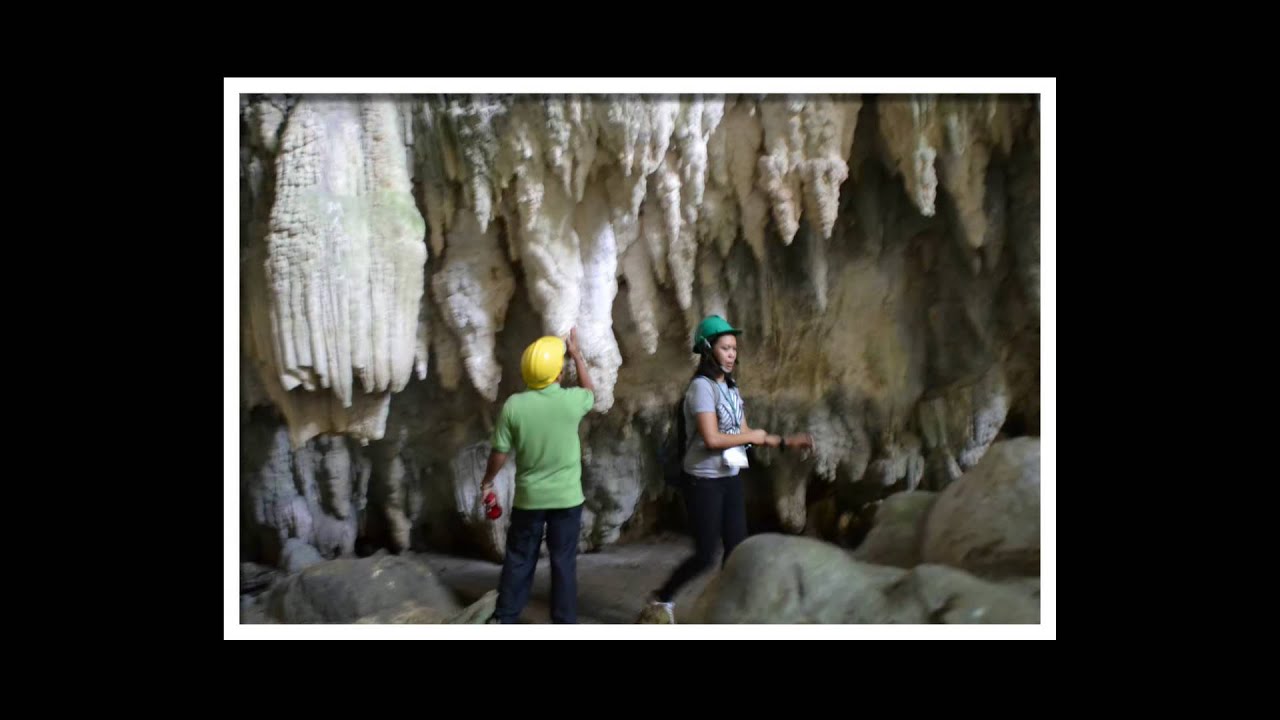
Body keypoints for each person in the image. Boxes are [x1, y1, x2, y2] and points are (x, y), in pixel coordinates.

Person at [645, 315, 813, 623]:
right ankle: (662, 598)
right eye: (725, 348)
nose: (732, 354)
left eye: (734, 348)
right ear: (708, 350)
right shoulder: (701, 388)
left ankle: (726, 607)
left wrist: (785, 441)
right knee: (705, 555)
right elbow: (712, 438)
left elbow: (744, 430)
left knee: (737, 550)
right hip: (703, 481)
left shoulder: (731, 388)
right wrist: (751, 437)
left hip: (729, 478)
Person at [483, 327, 595, 624]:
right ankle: (564, 623)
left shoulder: (514, 406)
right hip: (567, 499)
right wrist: (577, 356)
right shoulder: (572, 401)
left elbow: (499, 452)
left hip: (529, 500)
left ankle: (505, 618)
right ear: (558, 372)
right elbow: (590, 392)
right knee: (563, 563)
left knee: (519, 559)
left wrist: (487, 481)